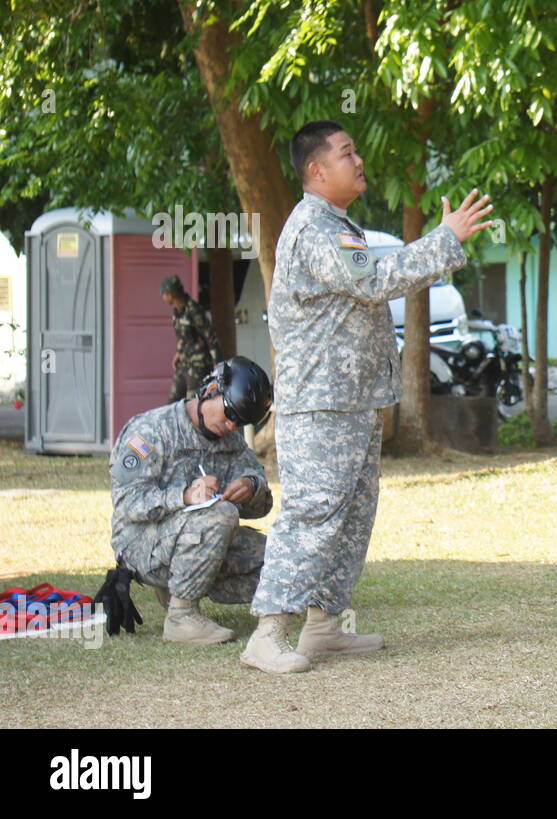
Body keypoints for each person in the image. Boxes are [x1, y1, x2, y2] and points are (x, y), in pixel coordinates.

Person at [240, 120, 494, 674]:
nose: (359, 162)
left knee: (352, 515)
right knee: (312, 514)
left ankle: (324, 626)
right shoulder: (315, 228)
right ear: (316, 170)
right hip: (321, 405)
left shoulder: (338, 224)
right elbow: (375, 280)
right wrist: (444, 239)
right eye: (347, 153)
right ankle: (267, 633)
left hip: (350, 401)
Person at [109, 357, 274, 644]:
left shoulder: (231, 440)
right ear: (211, 391)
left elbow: (263, 505)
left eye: (241, 422)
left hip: (198, 539)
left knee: (281, 560)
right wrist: (184, 496)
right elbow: (127, 503)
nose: (232, 426)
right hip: (141, 544)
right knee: (221, 514)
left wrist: (251, 487)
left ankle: (180, 586)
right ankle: (181, 617)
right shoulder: (151, 431)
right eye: (230, 414)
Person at [161, 275, 222, 402]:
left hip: (197, 365)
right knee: (173, 400)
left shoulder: (193, 310)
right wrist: (179, 353)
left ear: (171, 294)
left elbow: (209, 335)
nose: (163, 297)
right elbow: (182, 336)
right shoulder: (177, 312)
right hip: (184, 362)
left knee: (193, 402)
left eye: (164, 294)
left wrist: (217, 361)